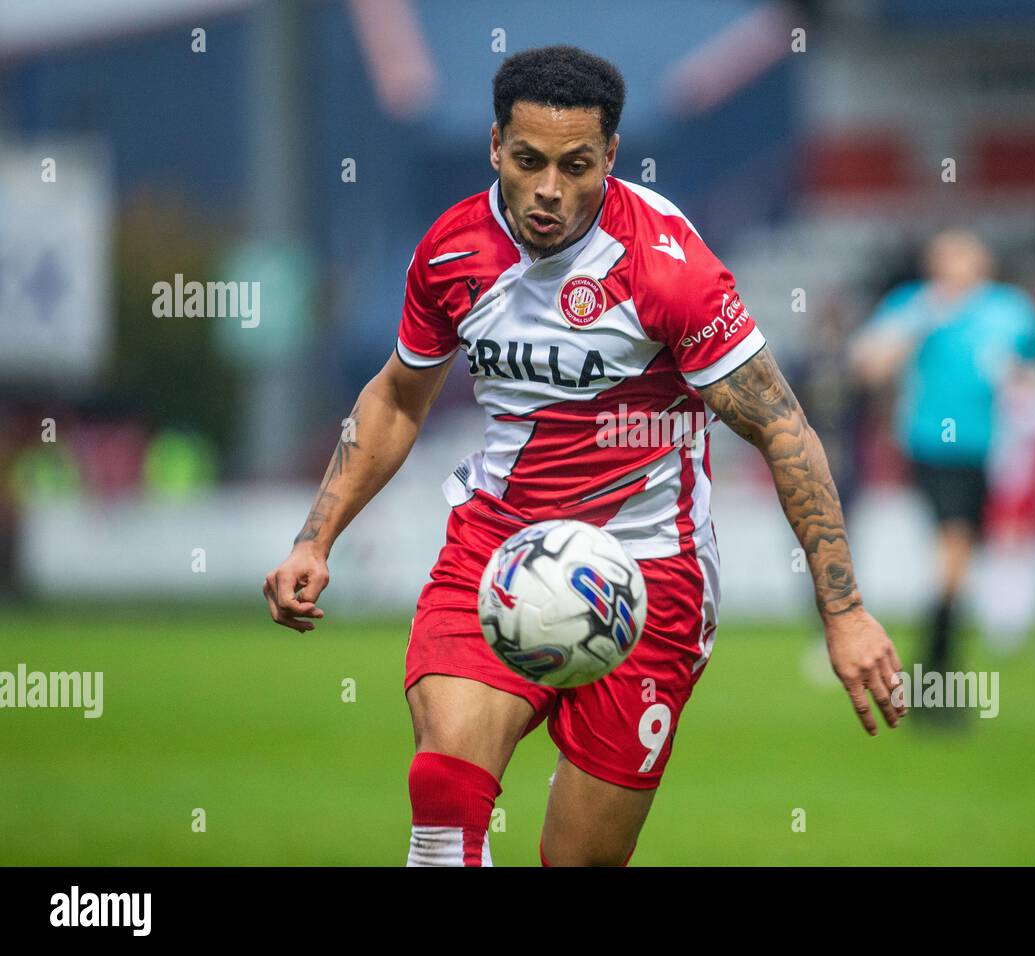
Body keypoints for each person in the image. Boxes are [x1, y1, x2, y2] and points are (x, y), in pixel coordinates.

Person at [263, 45, 904, 867]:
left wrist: (844, 613)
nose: (549, 191)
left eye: (576, 166)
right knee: (444, 791)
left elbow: (783, 427)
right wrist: (316, 537)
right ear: (495, 145)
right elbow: (395, 398)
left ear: (611, 155)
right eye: (528, 162)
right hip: (496, 544)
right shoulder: (452, 251)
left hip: (649, 576)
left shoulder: (668, 269)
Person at [853, 230, 1035, 697]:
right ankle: (936, 676)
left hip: (987, 451)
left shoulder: (1008, 310)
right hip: (931, 447)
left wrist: (1023, 383)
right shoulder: (915, 305)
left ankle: (936, 666)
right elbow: (867, 364)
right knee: (954, 548)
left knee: (958, 559)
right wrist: (910, 330)